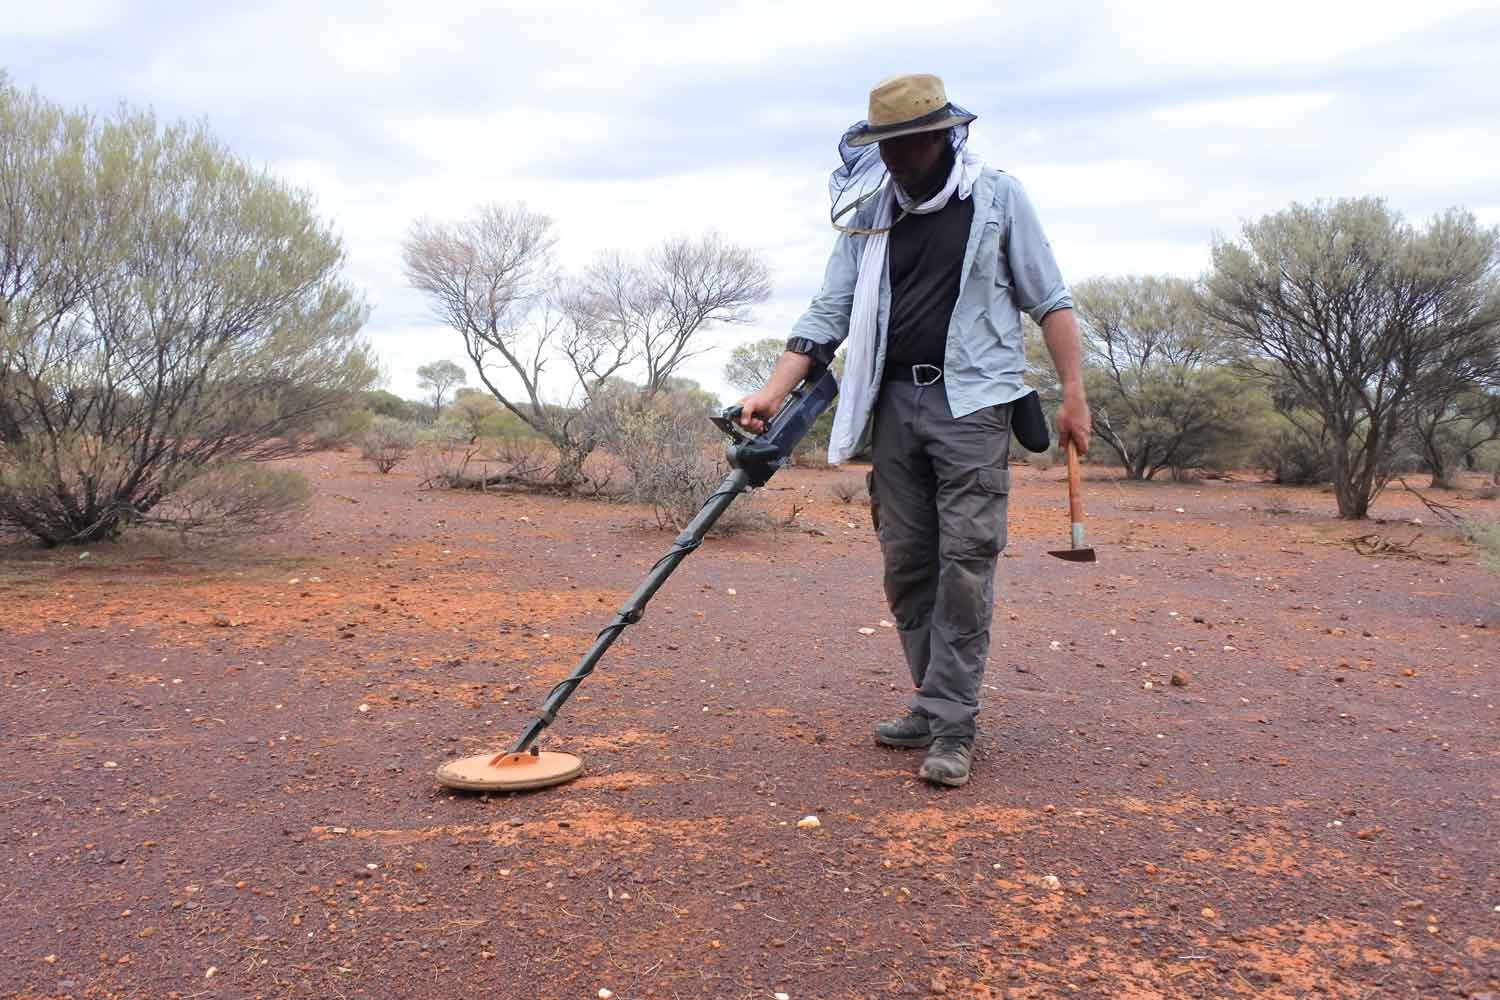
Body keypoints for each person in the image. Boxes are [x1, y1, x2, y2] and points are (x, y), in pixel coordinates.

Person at [736, 73, 1091, 788]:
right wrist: (771, 393)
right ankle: (933, 704)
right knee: (907, 563)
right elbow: (825, 314)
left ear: (939, 136)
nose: (892, 157)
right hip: (893, 405)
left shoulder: (997, 198)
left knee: (966, 563)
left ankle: (953, 724)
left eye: (902, 143)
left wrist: (1074, 393)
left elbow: (1049, 299)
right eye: (881, 144)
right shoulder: (871, 213)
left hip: (974, 406)